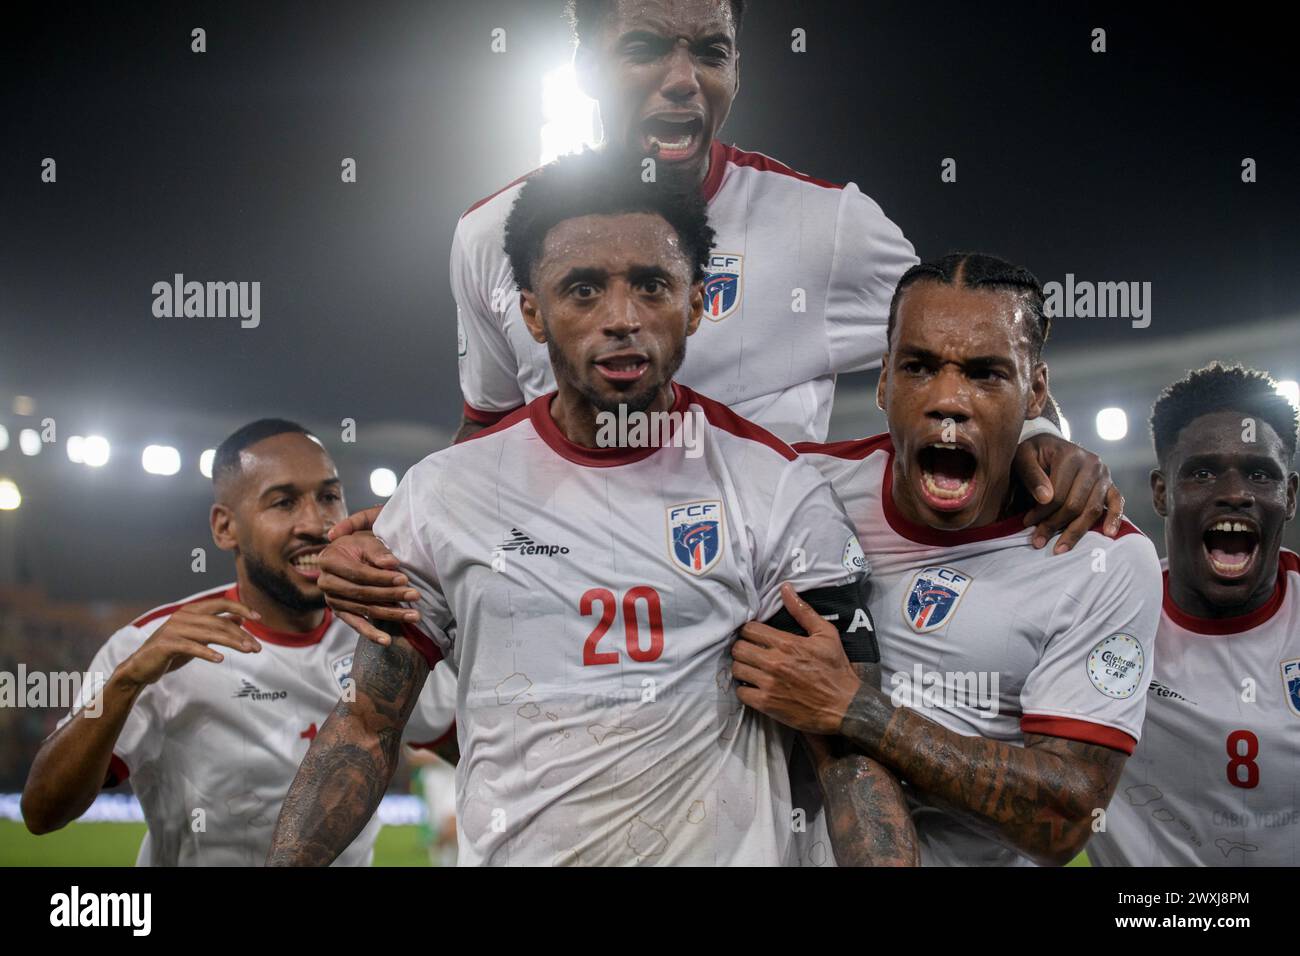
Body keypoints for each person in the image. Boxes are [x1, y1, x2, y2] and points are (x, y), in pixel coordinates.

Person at [319, 0, 1125, 647]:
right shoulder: (493, 235)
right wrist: (403, 535)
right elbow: (489, 427)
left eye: (710, 51)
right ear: (580, 65)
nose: (682, 80)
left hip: (768, 634)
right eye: (644, 47)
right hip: (578, 629)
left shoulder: (826, 226)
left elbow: (966, 344)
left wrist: (1032, 438)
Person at [268, 149, 917, 867]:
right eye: (582, 290)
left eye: (650, 286)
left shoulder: (781, 492)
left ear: (697, 303)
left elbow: (848, 758)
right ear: (531, 314)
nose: (621, 319)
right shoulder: (443, 494)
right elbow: (366, 726)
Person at [730, 253, 1164, 865]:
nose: (948, 401)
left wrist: (859, 711)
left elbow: (1063, 822)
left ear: (1035, 391)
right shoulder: (798, 488)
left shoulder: (1101, 559)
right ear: (883, 381)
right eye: (919, 367)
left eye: (986, 374)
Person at [21, 419, 453, 865]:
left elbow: (473, 748)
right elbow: (43, 812)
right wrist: (126, 682)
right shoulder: (150, 645)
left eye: (328, 496)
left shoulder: (383, 634)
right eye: (283, 502)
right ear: (225, 528)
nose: (317, 523)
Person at [1089, 363, 1299, 866]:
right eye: (1203, 471)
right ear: (1161, 492)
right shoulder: (1101, 617)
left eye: (1260, 473)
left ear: (1290, 496)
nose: (1234, 493)